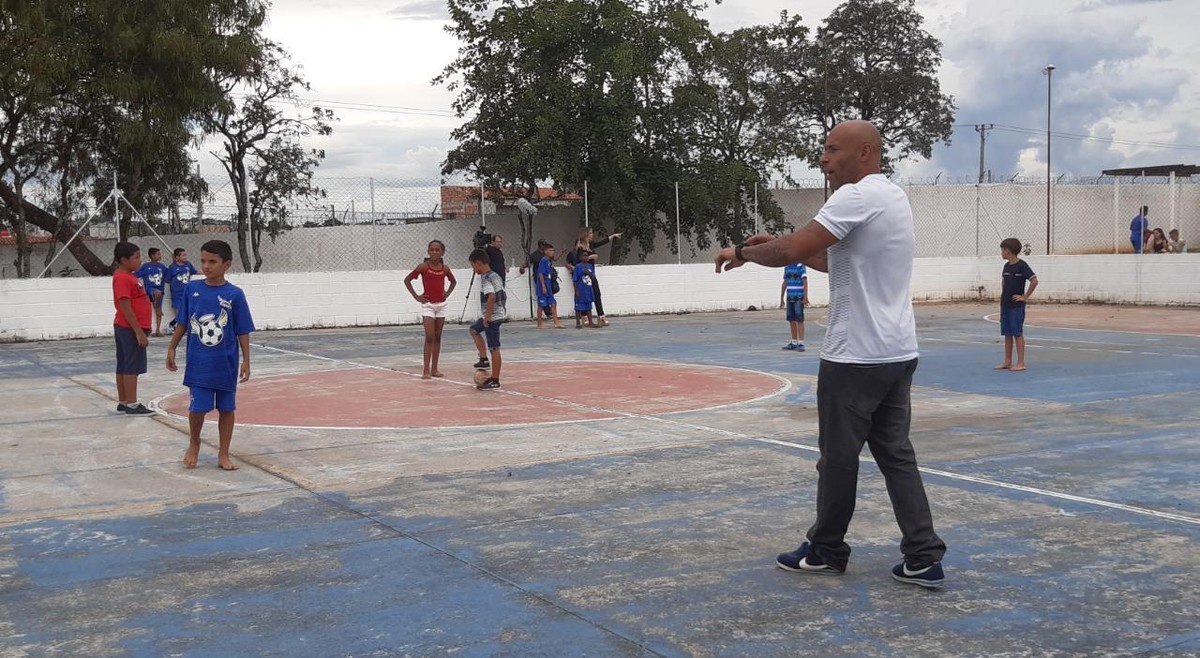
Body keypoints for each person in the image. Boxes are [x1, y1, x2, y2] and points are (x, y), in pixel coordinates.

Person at [715, 120, 947, 589]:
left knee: (837, 459)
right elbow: (830, 257)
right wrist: (775, 248)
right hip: (897, 350)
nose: (822, 158)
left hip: (855, 356)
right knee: (896, 455)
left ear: (864, 153)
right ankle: (923, 555)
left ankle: (826, 549)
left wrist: (743, 250)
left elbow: (796, 248)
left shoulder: (854, 196)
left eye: (831, 149)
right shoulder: (892, 197)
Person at [166, 239, 255, 471]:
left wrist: (246, 359)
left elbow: (242, 329)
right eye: (203, 261)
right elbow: (183, 321)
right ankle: (194, 443)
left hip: (225, 363)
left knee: (227, 408)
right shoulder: (192, 289)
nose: (206, 266)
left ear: (227, 264)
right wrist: (172, 346)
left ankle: (224, 453)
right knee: (198, 408)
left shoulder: (235, 294)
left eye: (213, 262)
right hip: (199, 364)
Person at [111, 241, 156, 415]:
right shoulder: (122, 278)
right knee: (131, 365)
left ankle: (124, 401)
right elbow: (125, 305)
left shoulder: (129, 276)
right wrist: (138, 332)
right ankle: (131, 402)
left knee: (124, 363)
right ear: (124, 259)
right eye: (136, 258)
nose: (139, 261)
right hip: (129, 328)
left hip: (127, 327)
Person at [404, 239, 457, 379]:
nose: (434, 252)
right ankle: (426, 369)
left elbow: (453, 281)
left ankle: (435, 368)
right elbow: (407, 280)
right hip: (428, 305)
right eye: (432, 250)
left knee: (438, 336)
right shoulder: (423, 267)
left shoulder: (445, 268)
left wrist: (447, 293)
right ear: (428, 251)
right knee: (429, 336)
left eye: (437, 250)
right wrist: (417, 296)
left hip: (441, 305)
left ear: (442, 252)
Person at [995, 238, 1038, 372]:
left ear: (1008, 251)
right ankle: (1007, 361)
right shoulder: (1006, 266)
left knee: (1017, 333)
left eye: (1002, 250)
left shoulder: (1022, 266)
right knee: (1007, 333)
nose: (1001, 252)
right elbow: (1004, 283)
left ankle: (1021, 362)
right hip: (1005, 304)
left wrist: (1024, 297)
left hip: (1016, 306)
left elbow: (1034, 281)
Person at [565, 227, 622, 326]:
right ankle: (584, 316)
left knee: (597, 293)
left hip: (591, 272)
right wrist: (590, 257)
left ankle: (601, 316)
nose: (592, 235)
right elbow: (578, 261)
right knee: (585, 295)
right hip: (584, 274)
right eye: (590, 233)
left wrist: (612, 236)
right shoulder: (580, 247)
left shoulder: (590, 245)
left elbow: (602, 242)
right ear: (585, 234)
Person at [468, 248, 505, 390]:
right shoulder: (495, 275)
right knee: (473, 330)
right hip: (494, 314)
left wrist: (487, 318)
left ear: (478, 263)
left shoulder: (487, 278)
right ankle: (483, 359)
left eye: (473, 265)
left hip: (492, 317)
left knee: (494, 347)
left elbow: (492, 297)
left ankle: (495, 380)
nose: (473, 269)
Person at [135, 247, 169, 337]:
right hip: (150, 289)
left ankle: (158, 330)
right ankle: (157, 307)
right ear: (152, 256)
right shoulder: (146, 266)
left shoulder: (162, 267)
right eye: (158, 254)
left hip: (160, 291)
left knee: (158, 296)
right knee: (156, 293)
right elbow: (137, 274)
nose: (160, 256)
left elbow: (168, 275)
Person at [166, 248, 197, 331]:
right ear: (177, 257)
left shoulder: (188, 265)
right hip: (176, 293)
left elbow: (194, 272)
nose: (185, 257)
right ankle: (174, 325)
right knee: (179, 310)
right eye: (183, 255)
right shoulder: (172, 267)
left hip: (186, 291)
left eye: (185, 255)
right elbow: (167, 279)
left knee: (187, 308)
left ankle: (176, 324)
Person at [780, 262, 809, 351]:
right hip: (790, 298)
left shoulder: (801, 266)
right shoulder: (787, 267)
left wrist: (805, 296)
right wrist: (781, 298)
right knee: (791, 320)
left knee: (799, 319)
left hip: (799, 297)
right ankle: (794, 341)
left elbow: (805, 281)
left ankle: (801, 343)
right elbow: (785, 282)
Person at [535, 243, 565, 329]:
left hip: (548, 286)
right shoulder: (543, 260)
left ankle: (556, 322)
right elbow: (540, 273)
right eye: (550, 251)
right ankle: (539, 323)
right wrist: (543, 286)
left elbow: (555, 258)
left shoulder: (549, 261)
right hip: (542, 287)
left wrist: (561, 252)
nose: (552, 252)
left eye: (553, 250)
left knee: (553, 303)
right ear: (545, 251)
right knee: (541, 305)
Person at [572, 244, 598, 328]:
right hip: (581, 289)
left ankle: (590, 322)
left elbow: (593, 277)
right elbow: (575, 279)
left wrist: (589, 273)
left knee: (588, 307)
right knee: (579, 307)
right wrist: (576, 290)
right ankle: (578, 322)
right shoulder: (578, 267)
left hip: (588, 289)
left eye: (587, 255)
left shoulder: (590, 266)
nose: (586, 257)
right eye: (584, 255)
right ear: (580, 258)